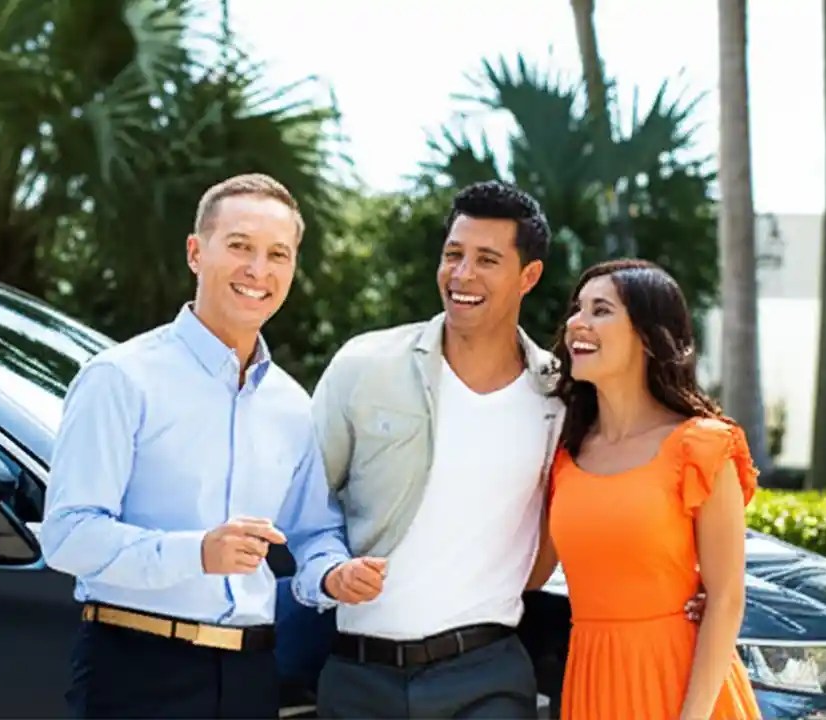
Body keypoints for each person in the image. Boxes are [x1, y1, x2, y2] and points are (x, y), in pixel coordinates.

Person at [39, 173, 388, 719]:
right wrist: (197, 552)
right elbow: (67, 535)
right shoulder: (120, 378)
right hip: (135, 672)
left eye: (278, 254)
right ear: (196, 253)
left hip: (250, 679)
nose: (259, 270)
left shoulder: (292, 405)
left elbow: (314, 530)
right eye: (240, 246)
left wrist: (331, 575)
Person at [309, 180, 565, 718]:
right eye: (454, 254)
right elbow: (305, 503)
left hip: (486, 674)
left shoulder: (559, 399)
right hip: (360, 675)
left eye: (486, 259)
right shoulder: (365, 365)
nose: (462, 274)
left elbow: (570, 525)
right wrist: (331, 568)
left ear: (529, 276)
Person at [533, 258, 760, 719]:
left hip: (682, 687)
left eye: (601, 310)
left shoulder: (702, 445)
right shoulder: (563, 456)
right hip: (592, 684)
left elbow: (726, 599)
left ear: (647, 335)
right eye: (577, 309)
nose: (577, 322)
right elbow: (528, 575)